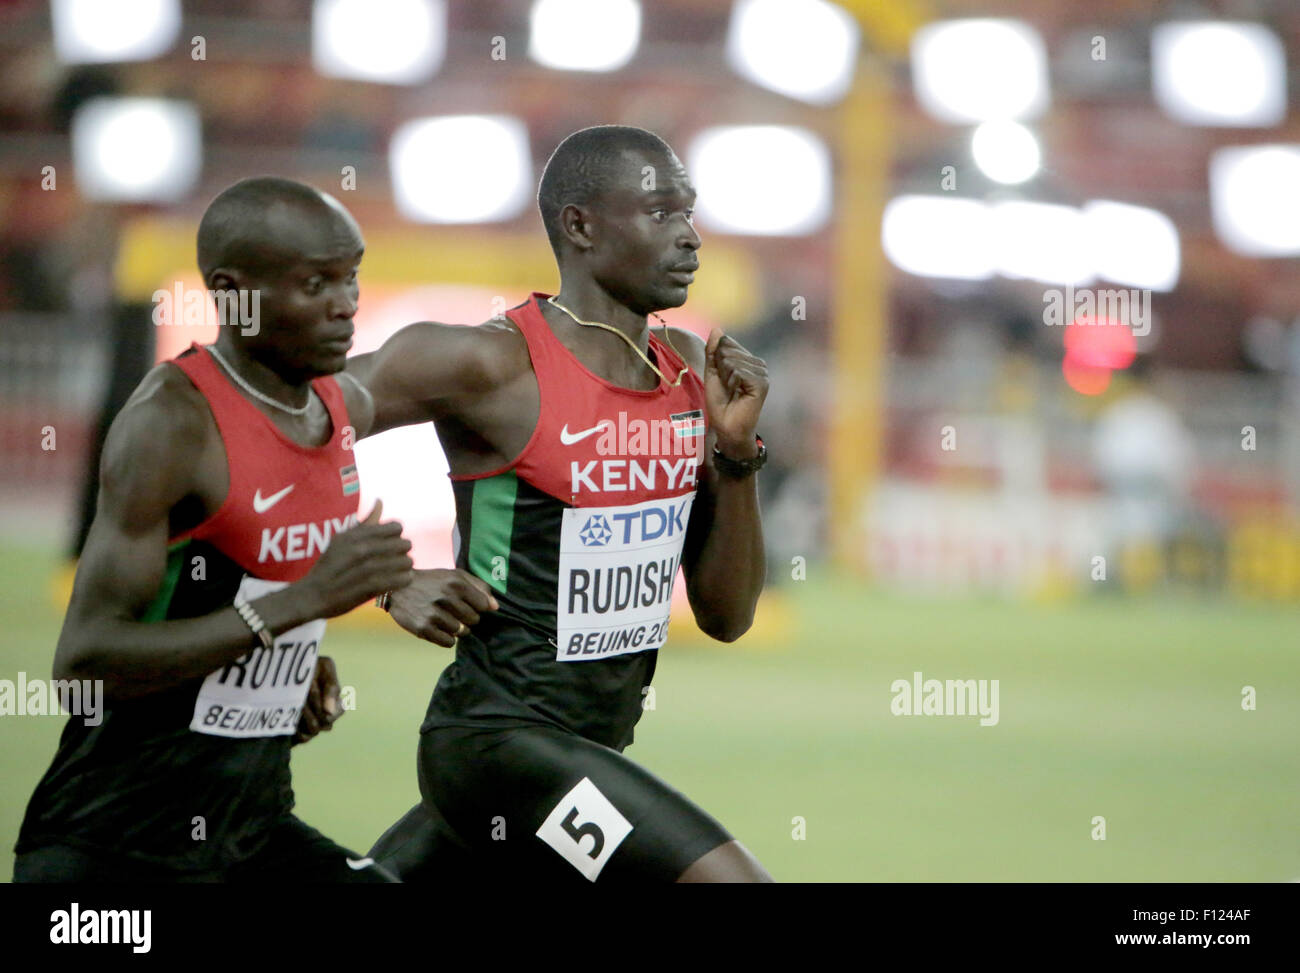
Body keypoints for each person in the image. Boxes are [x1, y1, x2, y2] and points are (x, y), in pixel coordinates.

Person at [355, 126, 774, 882]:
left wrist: (736, 457)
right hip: (497, 742)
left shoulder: (685, 368)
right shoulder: (491, 362)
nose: (690, 238)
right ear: (580, 226)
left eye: (690, 212)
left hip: (584, 753)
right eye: (659, 213)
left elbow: (726, 615)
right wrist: (384, 577)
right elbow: (276, 424)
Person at [13, 177, 416, 882]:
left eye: (351, 276)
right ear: (234, 291)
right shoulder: (173, 422)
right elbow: (83, 664)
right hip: (115, 845)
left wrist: (288, 669)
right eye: (315, 283)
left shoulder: (338, 404)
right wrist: (299, 605)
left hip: (252, 832)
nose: (346, 304)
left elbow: (233, 593)